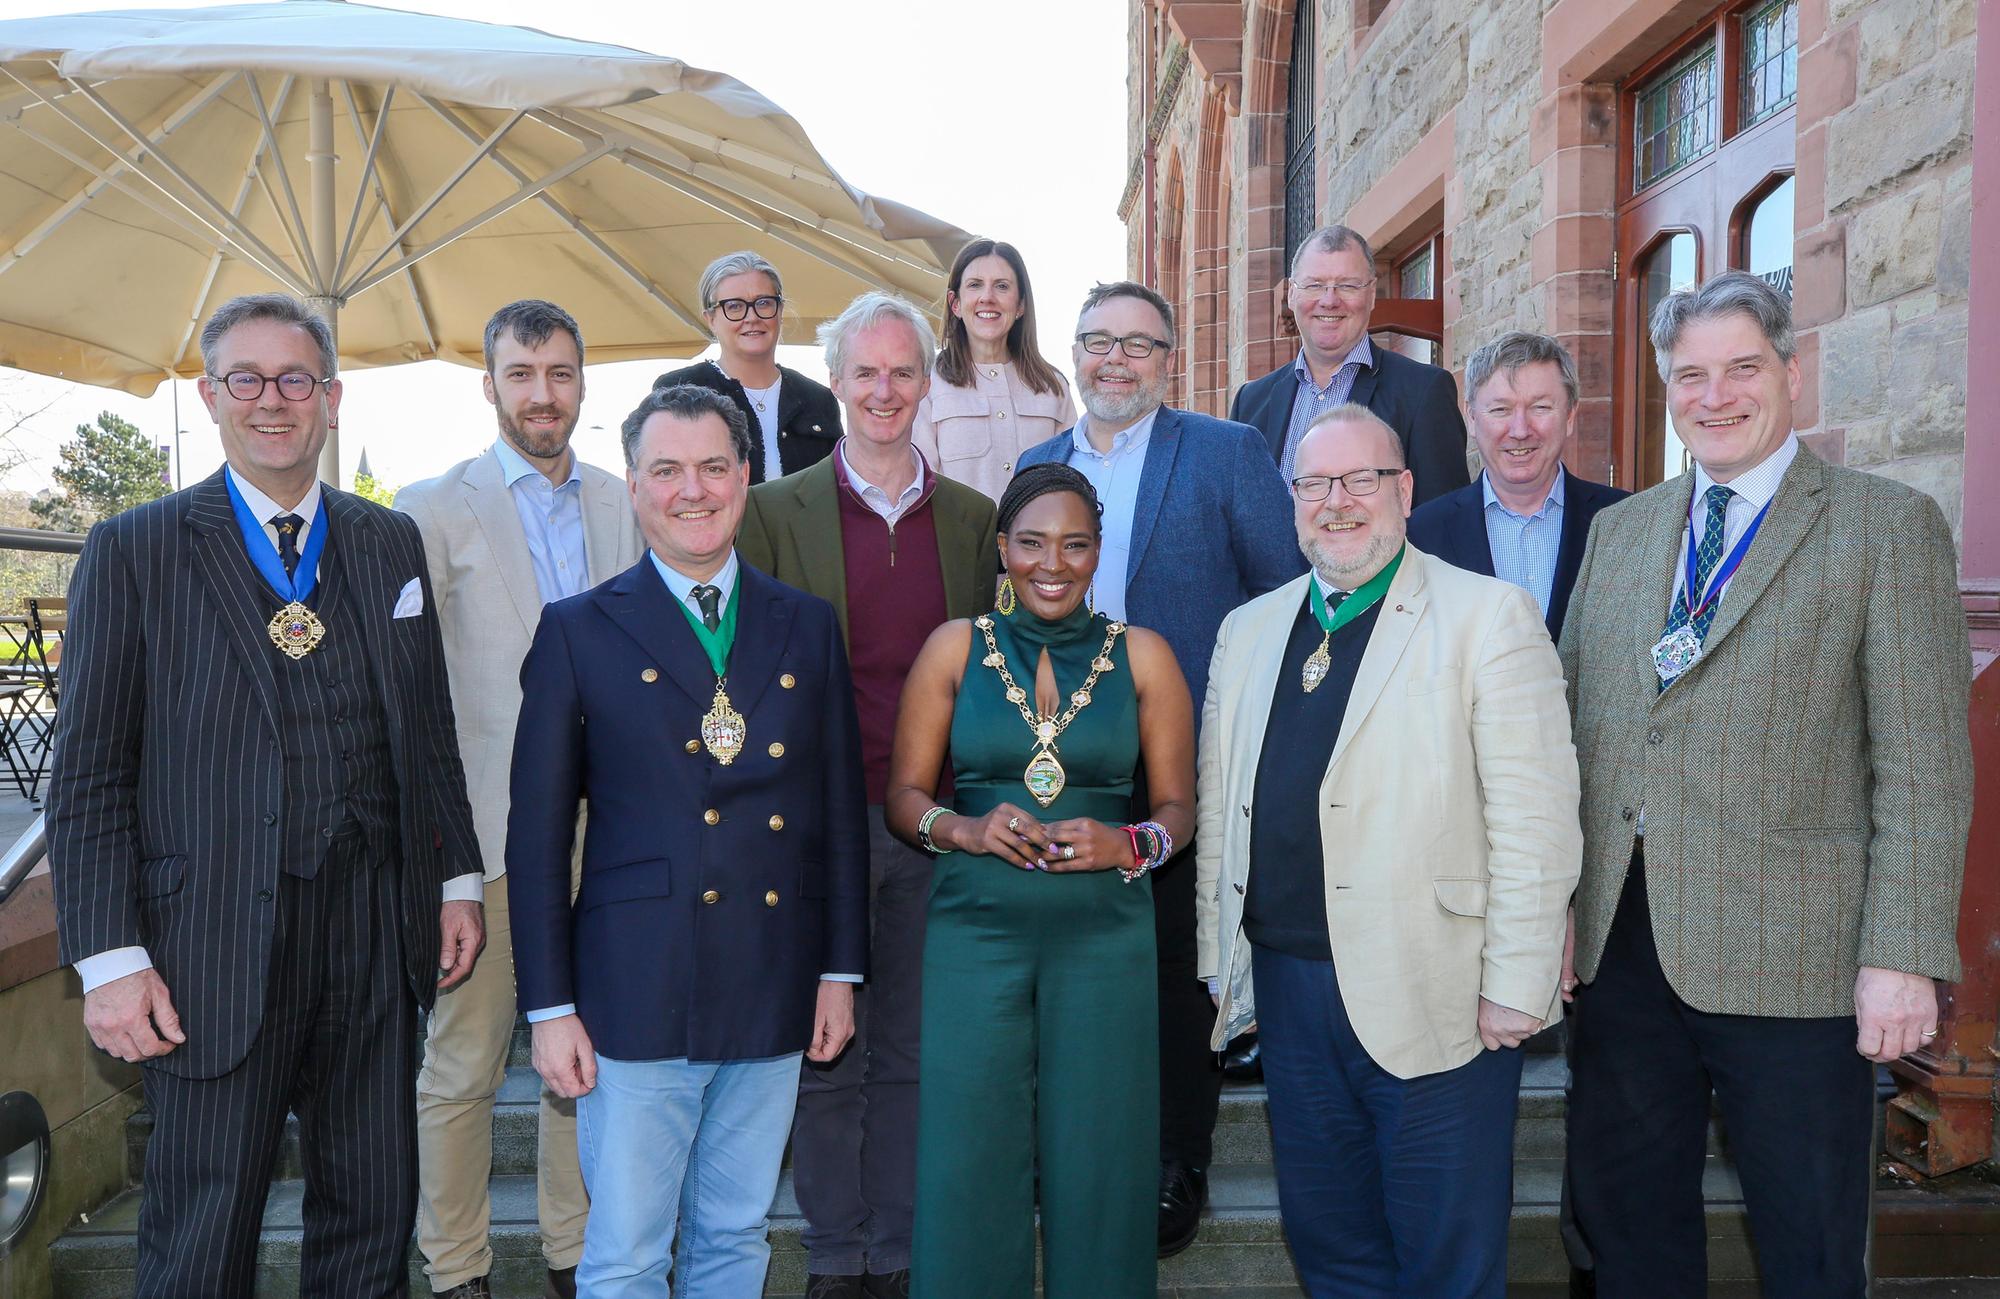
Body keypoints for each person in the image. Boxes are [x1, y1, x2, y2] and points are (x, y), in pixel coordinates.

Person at [48, 292, 483, 1297]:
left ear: (329, 397)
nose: (272, 400)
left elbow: (426, 728)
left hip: (374, 929)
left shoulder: (386, 542)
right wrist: (110, 960)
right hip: (207, 947)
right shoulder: (135, 549)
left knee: (370, 1226)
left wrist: (455, 874)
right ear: (210, 395)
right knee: (200, 1241)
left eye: (296, 379)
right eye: (247, 378)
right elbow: (89, 776)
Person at [1559, 270, 1974, 1298]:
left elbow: (1921, 764)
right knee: (1626, 1233)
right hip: (1622, 954)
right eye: (1688, 375)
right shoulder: (1617, 535)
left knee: (1808, 1245)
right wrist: (1555, 908)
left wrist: (1901, 954)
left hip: (1798, 962)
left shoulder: (1883, 527)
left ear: (1790, 372)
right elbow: (1569, 739)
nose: (1714, 395)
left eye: (1741, 367)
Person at [1197, 404, 1580, 1297]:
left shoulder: (1489, 616)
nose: (1338, 501)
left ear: (1404, 491)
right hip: (1293, 993)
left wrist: (1515, 983)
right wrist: (1223, 961)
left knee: (1447, 1256)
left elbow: (1538, 820)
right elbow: (1224, 806)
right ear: (1293, 499)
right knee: (1333, 1248)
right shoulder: (1247, 630)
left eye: (1361, 479)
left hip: (1438, 991)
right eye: (1316, 483)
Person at [506, 383, 869, 1299]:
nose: (693, 490)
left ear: (746, 478)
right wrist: (549, 1008)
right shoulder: (579, 629)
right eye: (667, 470)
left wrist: (841, 968)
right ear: (633, 486)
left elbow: (835, 811)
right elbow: (539, 837)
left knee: (736, 1237)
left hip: (773, 974)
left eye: (714, 466)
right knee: (627, 1250)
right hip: (636, 992)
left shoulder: (806, 622)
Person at [1018, 279, 1301, 1255]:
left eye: (1137, 344)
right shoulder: (1035, 464)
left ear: (1166, 359)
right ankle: (1079, 1156)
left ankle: (1175, 1163)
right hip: (1066, 765)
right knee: (1076, 970)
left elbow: (1285, 592)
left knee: (1179, 975)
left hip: (1189, 762)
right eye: (1097, 341)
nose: (1114, 360)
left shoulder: (1225, 453)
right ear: (1074, 351)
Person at [735, 291, 997, 1299]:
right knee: (823, 1047)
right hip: (815, 828)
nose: (884, 391)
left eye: (901, 372)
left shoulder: (973, 521)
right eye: (865, 373)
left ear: (924, 382)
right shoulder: (771, 511)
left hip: (932, 826)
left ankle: (895, 1252)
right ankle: (834, 1257)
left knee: (914, 1049)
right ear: (835, 381)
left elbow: (989, 681)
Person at [887, 462, 1196, 1298]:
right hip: (974, 930)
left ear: (1099, 551)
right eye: (1031, 542)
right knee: (968, 1150)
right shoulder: (954, 646)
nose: (1051, 562)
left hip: (1105, 935)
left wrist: (1127, 842)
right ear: (1002, 548)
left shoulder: (1145, 656)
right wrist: (963, 825)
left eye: (1074, 543)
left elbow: (1179, 808)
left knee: (1102, 1151)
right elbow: (903, 797)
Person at [396, 299, 645, 1299]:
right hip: (491, 842)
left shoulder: (628, 503)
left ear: (582, 382)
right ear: (490, 384)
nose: (543, 394)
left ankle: (571, 1254)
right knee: (461, 1067)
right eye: (522, 374)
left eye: (560, 374)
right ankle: (455, 1269)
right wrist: (444, 860)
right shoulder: (427, 508)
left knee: (582, 1060)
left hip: (614, 834)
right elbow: (413, 703)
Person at [1408, 331, 1628, 641]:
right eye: (1500, 410)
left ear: (1569, 416)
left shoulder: (1626, 521)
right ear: (1471, 419)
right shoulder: (1421, 534)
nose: (1520, 430)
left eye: (1540, 407)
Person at [1229, 224, 1470, 506]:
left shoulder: (1423, 392)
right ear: (1292, 295)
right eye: (1314, 285)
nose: (1329, 301)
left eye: (1347, 285)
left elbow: (1441, 522)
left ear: (1370, 295)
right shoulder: (1251, 402)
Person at [655, 250, 843, 482]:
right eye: (734, 307)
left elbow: (834, 490)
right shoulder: (679, 389)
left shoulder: (818, 399)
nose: (751, 317)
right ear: (711, 318)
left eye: (763, 303)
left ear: (780, 310)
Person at [911, 238, 1077, 501]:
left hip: (1037, 541)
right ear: (955, 304)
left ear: (1020, 304)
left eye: (1002, 286)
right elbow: (919, 483)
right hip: (959, 542)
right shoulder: (927, 384)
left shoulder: (1053, 387)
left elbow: (1071, 484)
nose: (987, 297)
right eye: (975, 285)